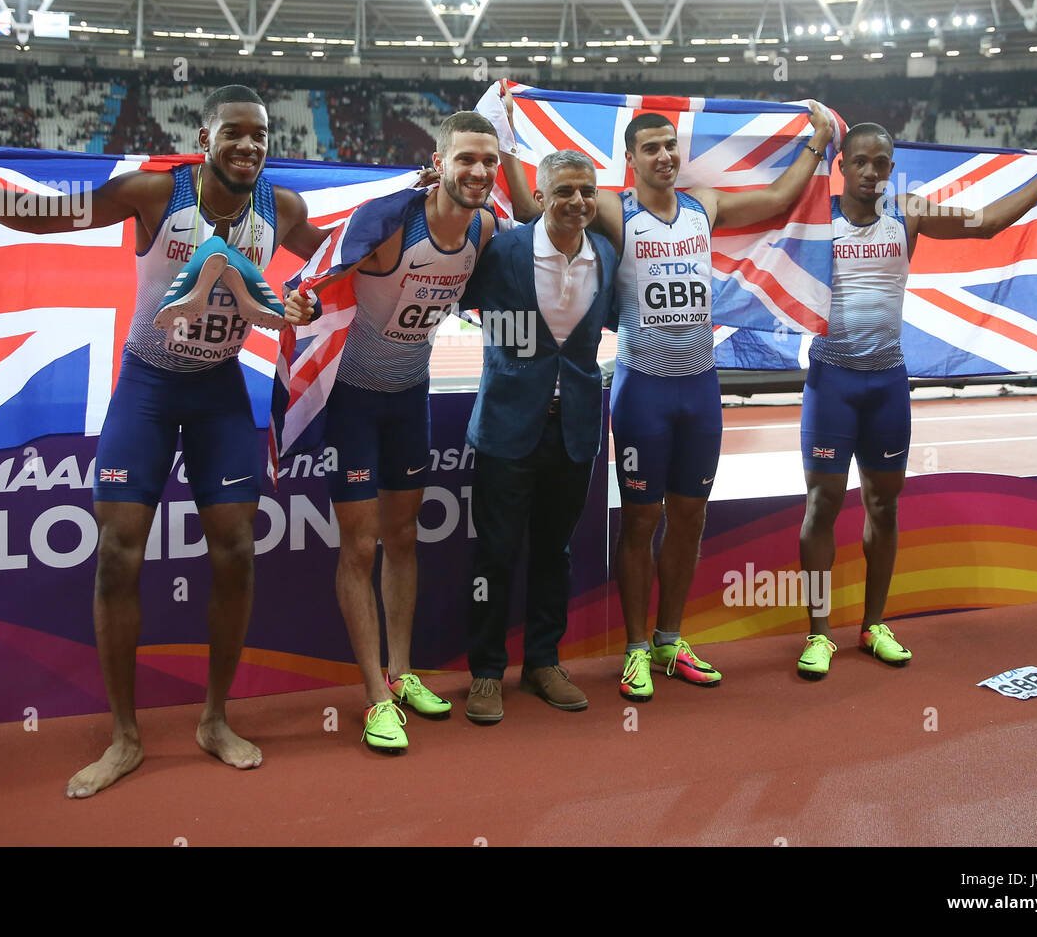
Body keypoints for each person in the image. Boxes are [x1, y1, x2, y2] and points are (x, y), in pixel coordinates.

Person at [0, 85, 324, 797]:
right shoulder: (153, 193)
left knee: (236, 554)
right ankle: (125, 736)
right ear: (205, 136)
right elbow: (44, 218)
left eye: (260, 135)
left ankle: (215, 720)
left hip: (221, 392)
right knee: (117, 556)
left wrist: (407, 213)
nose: (249, 146)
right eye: (235, 133)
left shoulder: (280, 210)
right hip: (150, 389)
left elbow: (338, 256)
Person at [499, 90, 833, 703]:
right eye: (650, 149)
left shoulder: (703, 205)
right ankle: (633, 649)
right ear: (630, 159)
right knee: (641, 520)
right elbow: (535, 209)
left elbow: (780, 198)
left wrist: (817, 140)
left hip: (700, 391)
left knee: (690, 517)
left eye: (669, 149)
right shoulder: (609, 209)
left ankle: (669, 639)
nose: (663, 158)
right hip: (641, 389)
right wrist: (507, 135)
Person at [795, 125, 1037, 679]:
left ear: (891, 165)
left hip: (885, 386)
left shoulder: (909, 214)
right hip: (831, 382)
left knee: (884, 506)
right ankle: (818, 632)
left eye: (882, 162)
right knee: (821, 507)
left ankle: (874, 624)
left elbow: (990, 223)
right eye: (860, 162)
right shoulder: (815, 220)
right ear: (842, 165)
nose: (872, 172)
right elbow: (750, 219)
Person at [310, 111, 502, 752]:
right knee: (359, 548)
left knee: (402, 538)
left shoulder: (487, 228)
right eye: (466, 159)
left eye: (488, 161)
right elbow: (318, 267)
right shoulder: (393, 225)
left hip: (410, 396)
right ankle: (373, 697)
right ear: (440, 163)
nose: (478, 172)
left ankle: (403, 671)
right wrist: (298, 299)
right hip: (354, 398)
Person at [459, 149, 618, 723]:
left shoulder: (605, 252)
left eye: (587, 192)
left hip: (574, 429)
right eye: (567, 191)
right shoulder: (501, 249)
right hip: (507, 426)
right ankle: (484, 671)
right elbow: (452, 293)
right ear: (542, 198)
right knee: (495, 554)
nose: (579, 202)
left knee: (555, 551)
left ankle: (544, 661)